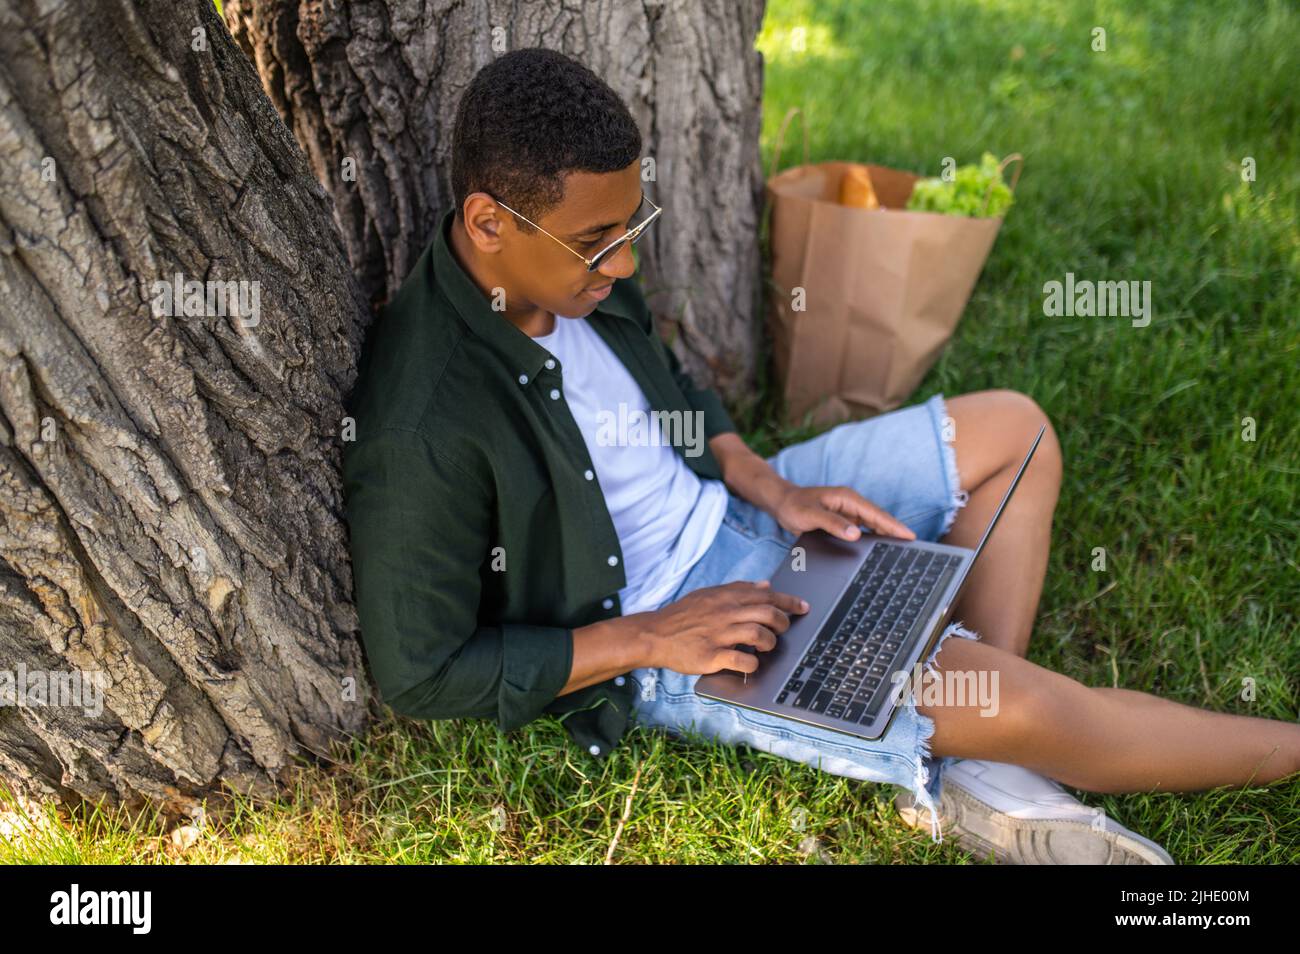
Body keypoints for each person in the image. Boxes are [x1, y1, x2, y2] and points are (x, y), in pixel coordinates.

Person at [341, 47, 1300, 864]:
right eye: (600, 243)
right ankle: (1042, 730)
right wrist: (655, 636)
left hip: (742, 506)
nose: (627, 264)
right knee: (1055, 715)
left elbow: (673, 391)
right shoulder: (425, 420)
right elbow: (420, 672)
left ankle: (977, 754)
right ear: (488, 223)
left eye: (633, 228)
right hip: (680, 632)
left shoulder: (573, 272)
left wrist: (768, 482)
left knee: (1019, 430)